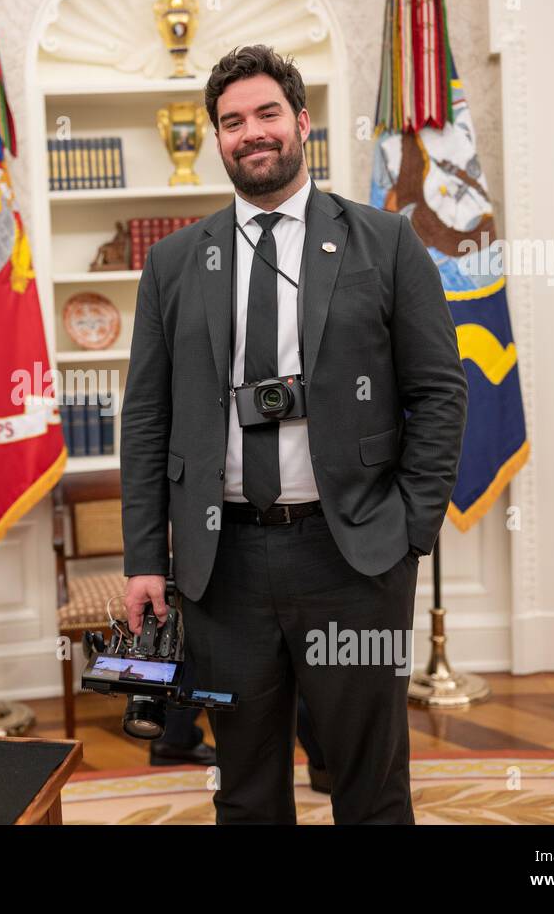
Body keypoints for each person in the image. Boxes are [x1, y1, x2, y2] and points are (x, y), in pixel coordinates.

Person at [121, 45, 467, 823]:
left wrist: (412, 524)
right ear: (218, 138)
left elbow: (440, 391)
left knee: (369, 784)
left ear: (301, 121)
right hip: (223, 565)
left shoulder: (386, 242)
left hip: (355, 558)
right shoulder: (174, 263)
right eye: (233, 121)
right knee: (244, 787)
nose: (252, 132)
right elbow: (146, 416)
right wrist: (146, 557)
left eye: (267, 113)